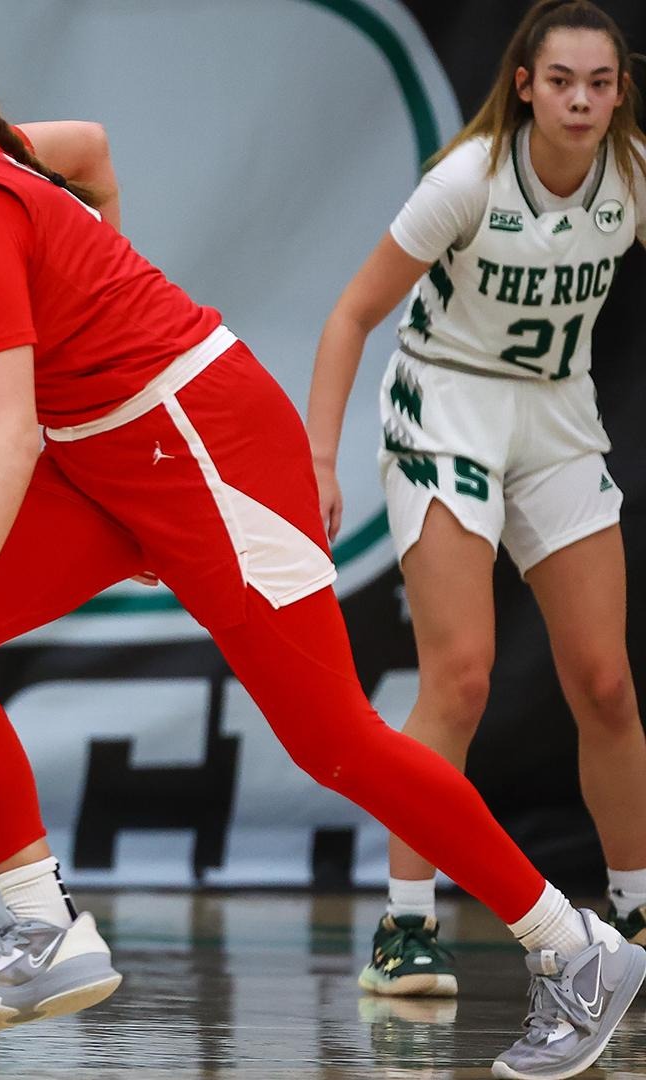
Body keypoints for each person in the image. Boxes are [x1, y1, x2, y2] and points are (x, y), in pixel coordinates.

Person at [0, 14, 644, 1078]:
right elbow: (93, 148)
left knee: (333, 741)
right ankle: (41, 925)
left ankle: (574, 945)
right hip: (110, 454)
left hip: (204, 444)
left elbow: (10, 437)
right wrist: (105, 271)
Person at [307, 0, 646, 1000]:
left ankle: (634, 908)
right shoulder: (468, 180)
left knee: (607, 684)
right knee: (458, 678)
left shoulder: (629, 174)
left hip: (557, 416)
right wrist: (319, 460)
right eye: (562, 81)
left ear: (619, 92)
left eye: (598, 83)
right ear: (525, 86)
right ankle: (405, 926)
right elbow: (350, 314)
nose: (580, 101)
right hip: (446, 407)